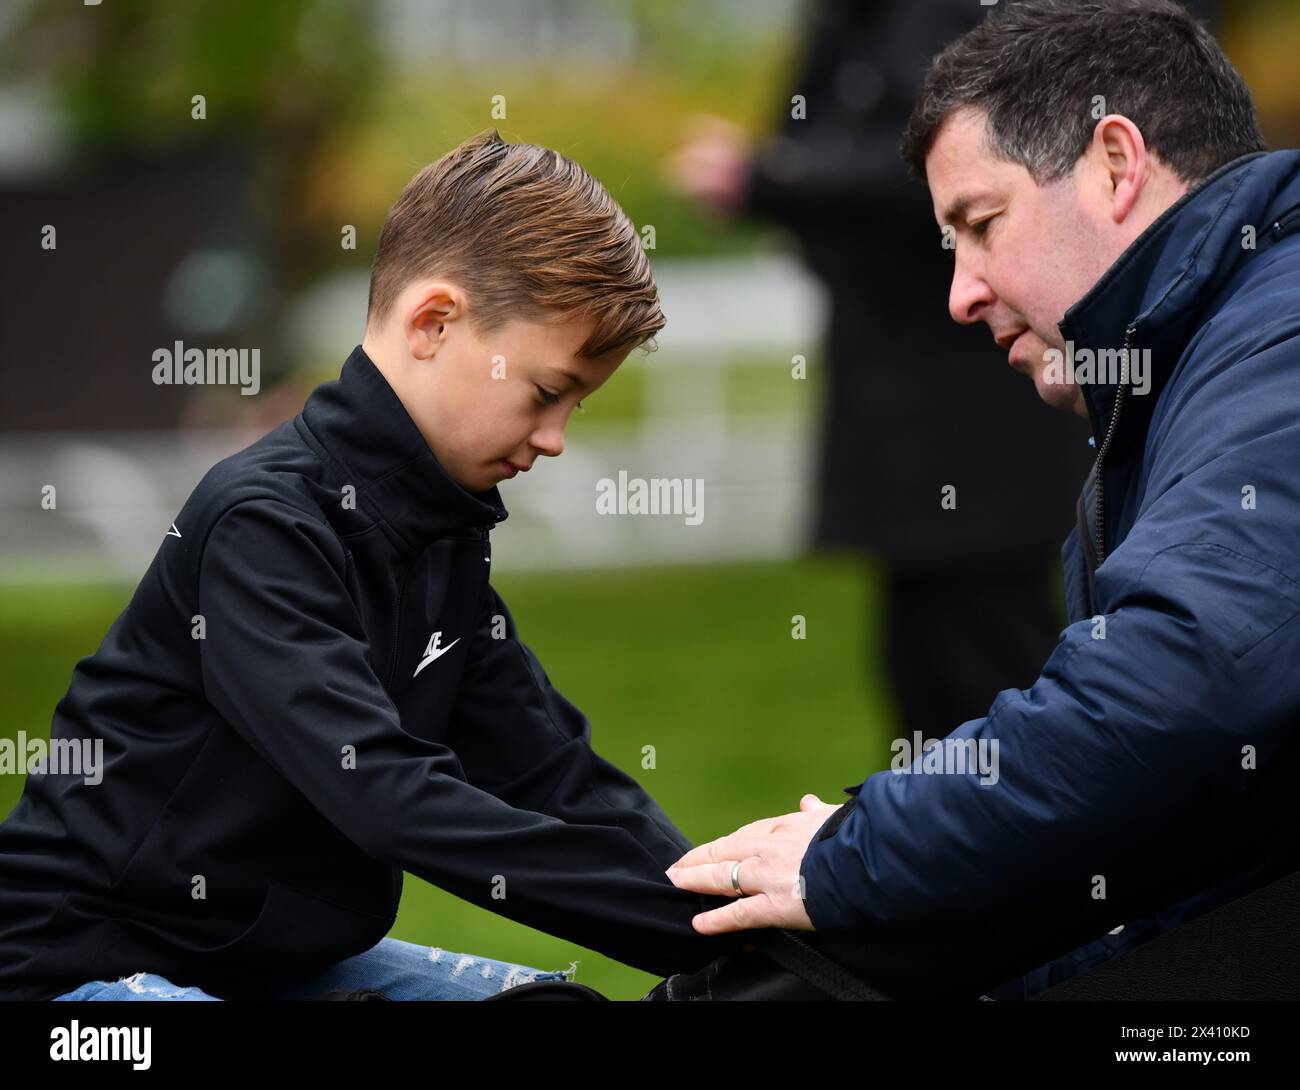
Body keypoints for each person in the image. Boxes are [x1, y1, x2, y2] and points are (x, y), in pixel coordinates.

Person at [0, 130, 748, 1001]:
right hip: (81, 978)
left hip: (275, 967)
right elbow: (386, 794)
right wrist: (692, 933)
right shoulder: (263, 525)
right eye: (547, 393)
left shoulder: (443, 537)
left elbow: (556, 777)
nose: (553, 439)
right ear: (433, 322)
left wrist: (736, 920)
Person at [665, 0, 1300, 999]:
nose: (960, 291)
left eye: (981, 224)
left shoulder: (1276, 346)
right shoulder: (1211, 342)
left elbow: (1185, 686)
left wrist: (853, 853)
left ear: (1115, 164)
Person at [665, 0, 1095, 739]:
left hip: (976, 404)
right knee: (920, 662)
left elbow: (958, 165)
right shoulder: (860, 22)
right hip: (897, 389)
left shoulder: (957, 19)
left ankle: (1041, 842)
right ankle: (945, 842)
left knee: (989, 658)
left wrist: (771, 181)